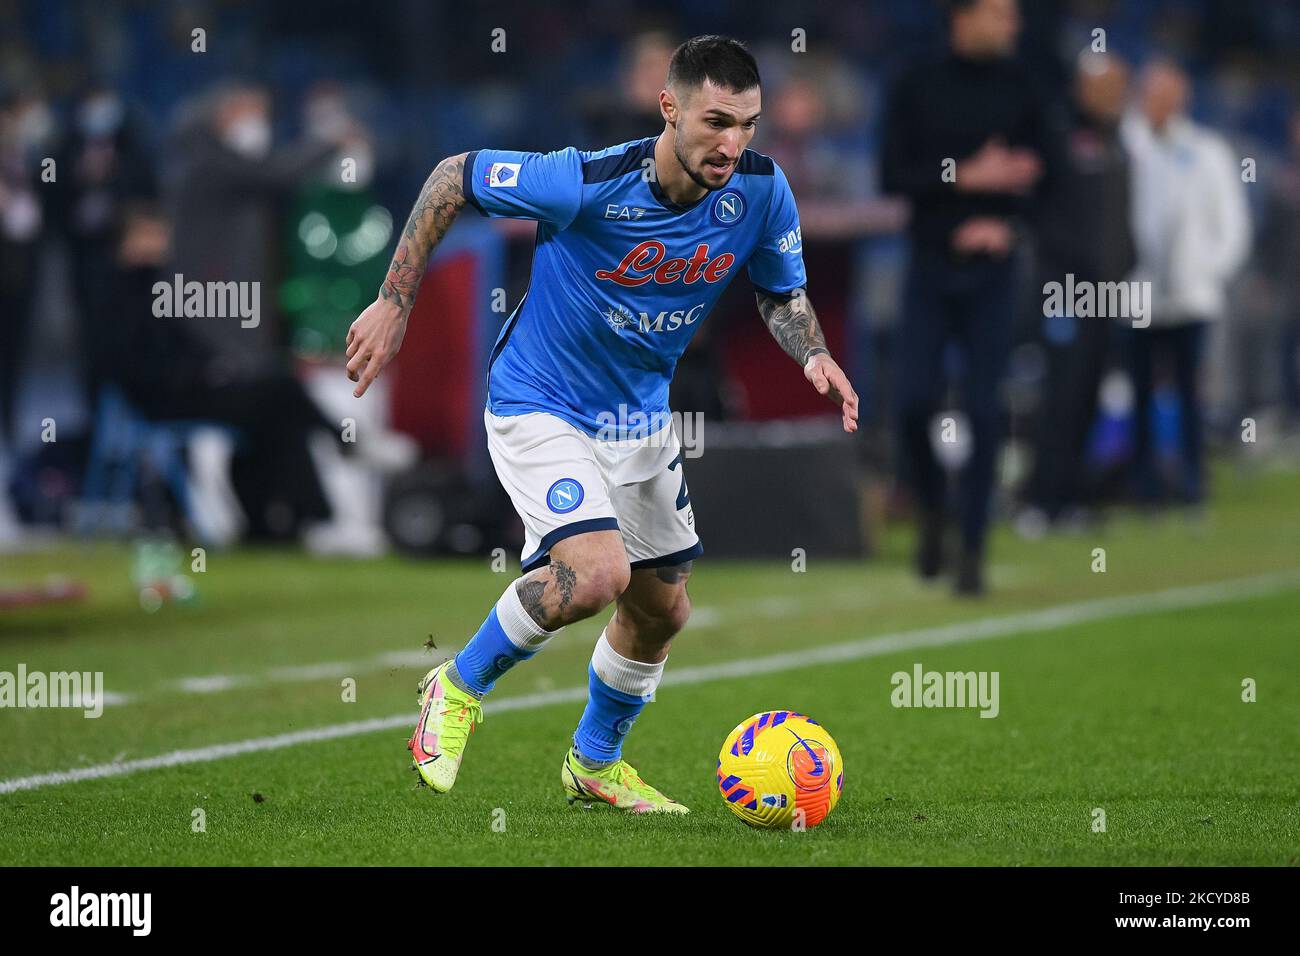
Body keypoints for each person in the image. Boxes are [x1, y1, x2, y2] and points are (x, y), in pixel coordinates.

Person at [345, 36, 858, 812]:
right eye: (716, 121)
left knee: (662, 609)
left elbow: (780, 294)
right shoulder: (585, 180)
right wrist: (395, 301)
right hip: (539, 402)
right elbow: (452, 177)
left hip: (639, 419)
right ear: (669, 106)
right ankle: (453, 687)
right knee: (597, 575)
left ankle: (594, 763)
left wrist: (812, 352)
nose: (732, 143)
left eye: (747, 124)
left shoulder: (761, 188)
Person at [880, 0, 1054, 594]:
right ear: (964, 16)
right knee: (911, 404)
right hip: (930, 264)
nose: (1014, 24)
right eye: (1001, 14)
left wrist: (1009, 224)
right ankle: (932, 511)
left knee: (985, 410)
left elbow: (1050, 172)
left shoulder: (1024, 84)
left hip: (995, 271)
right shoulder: (916, 80)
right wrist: (965, 175)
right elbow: (892, 173)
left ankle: (973, 547)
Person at [1121, 60, 1250, 505]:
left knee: (1191, 392)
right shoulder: (1124, 145)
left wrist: (1205, 272)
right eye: (1152, 93)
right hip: (1133, 293)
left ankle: (1194, 481)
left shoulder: (1208, 150)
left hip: (1193, 298)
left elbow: (1232, 225)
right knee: (1137, 394)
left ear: (1183, 98)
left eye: (1168, 94)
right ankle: (1143, 487)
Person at [1022, 53, 1135, 527]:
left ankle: (1071, 498)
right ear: (1084, 89)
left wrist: (1129, 261)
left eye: (1120, 88)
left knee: (1090, 391)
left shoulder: (1117, 140)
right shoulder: (1058, 135)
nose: (1116, 97)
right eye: (1107, 88)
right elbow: (1036, 207)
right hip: (1064, 289)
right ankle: (1040, 500)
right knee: (1062, 392)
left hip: (1107, 289)